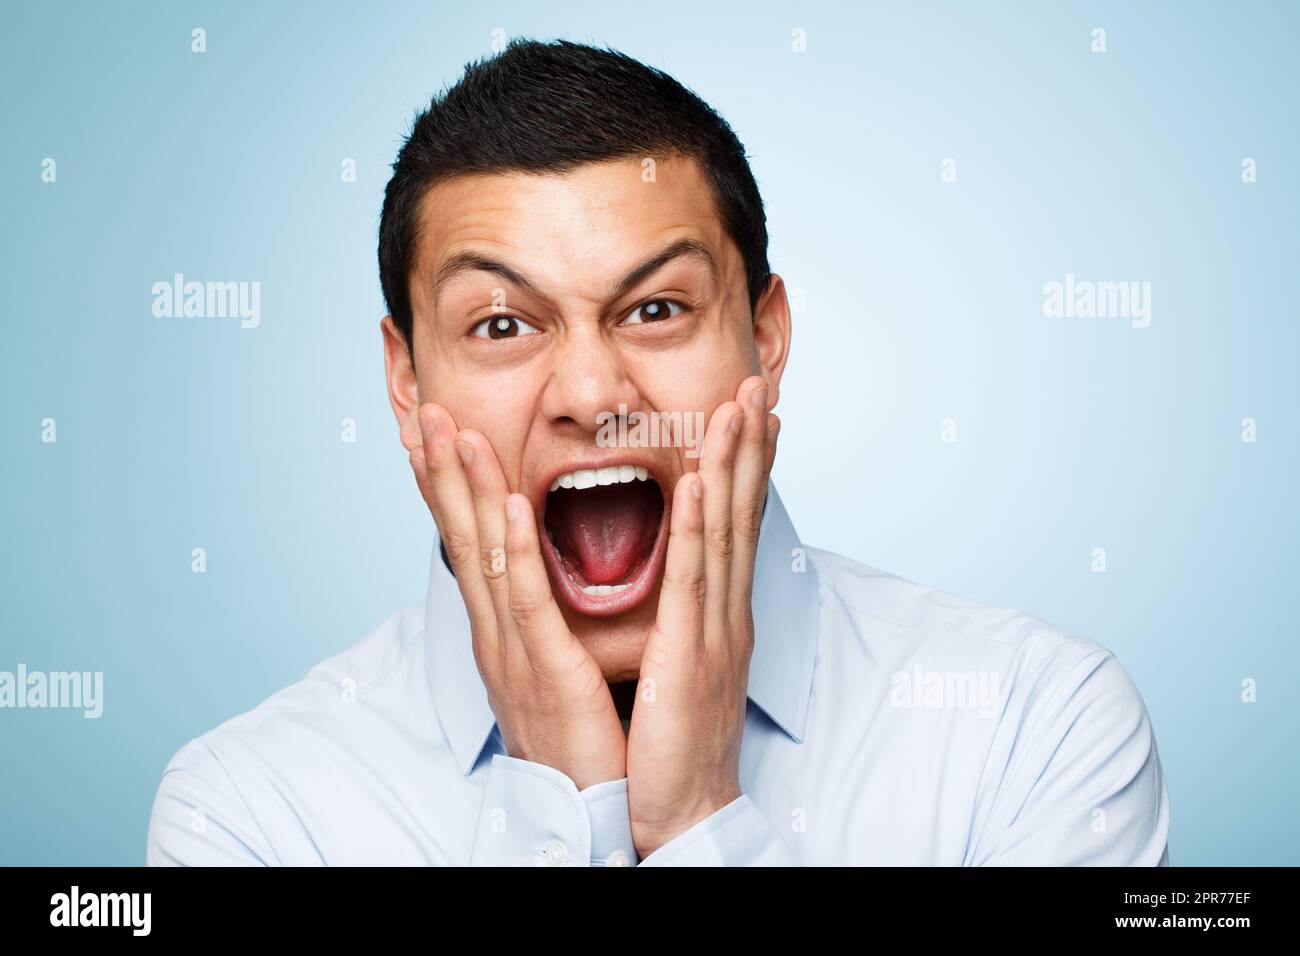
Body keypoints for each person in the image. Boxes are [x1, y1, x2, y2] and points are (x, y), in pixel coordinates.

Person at [147, 38, 1169, 866]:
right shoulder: (250, 814)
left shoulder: (1036, 729)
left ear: (765, 338)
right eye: (501, 324)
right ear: (406, 382)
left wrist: (693, 824)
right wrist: (561, 812)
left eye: (655, 308)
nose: (594, 396)